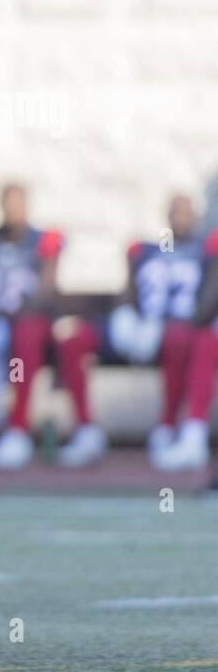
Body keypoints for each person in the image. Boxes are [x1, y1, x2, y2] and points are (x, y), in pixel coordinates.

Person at [0, 184, 103, 469]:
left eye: (18, 203)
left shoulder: (43, 240)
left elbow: (46, 290)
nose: (13, 210)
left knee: (31, 335)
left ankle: (21, 429)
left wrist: (12, 315)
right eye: (8, 204)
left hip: (28, 328)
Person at [110, 194, 218, 471]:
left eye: (185, 212)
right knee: (178, 338)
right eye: (174, 212)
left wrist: (190, 323)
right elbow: (129, 292)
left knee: (194, 339)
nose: (180, 219)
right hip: (153, 330)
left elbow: (210, 296)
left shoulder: (205, 250)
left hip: (192, 328)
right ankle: (171, 427)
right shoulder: (148, 251)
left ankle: (186, 431)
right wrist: (129, 319)